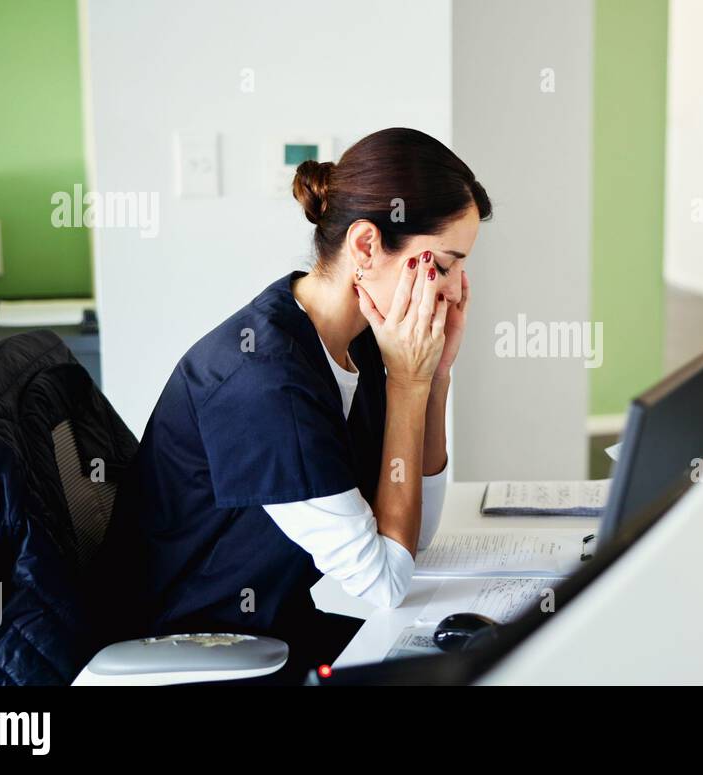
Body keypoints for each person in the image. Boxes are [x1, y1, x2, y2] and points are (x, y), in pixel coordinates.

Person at [103, 128, 491, 662]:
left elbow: (413, 537)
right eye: (442, 264)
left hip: (275, 627)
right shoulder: (265, 380)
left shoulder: (364, 340)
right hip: (200, 652)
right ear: (365, 246)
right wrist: (409, 384)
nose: (451, 290)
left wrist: (437, 374)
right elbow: (384, 581)